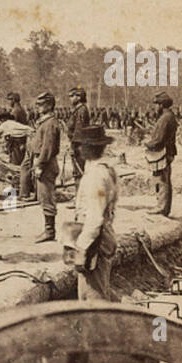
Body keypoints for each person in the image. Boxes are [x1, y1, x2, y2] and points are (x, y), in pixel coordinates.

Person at [67, 125, 119, 300]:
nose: (78, 149)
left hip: (95, 241)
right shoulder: (101, 169)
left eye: (81, 145)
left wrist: (81, 246)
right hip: (100, 236)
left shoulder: (97, 175)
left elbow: (95, 217)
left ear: (90, 147)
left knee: (92, 297)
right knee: (98, 289)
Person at [32, 92, 62, 242]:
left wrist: (40, 165)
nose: (38, 107)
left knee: (47, 197)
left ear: (50, 105)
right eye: (37, 104)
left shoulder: (50, 123)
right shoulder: (45, 122)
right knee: (44, 197)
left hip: (47, 164)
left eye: (41, 104)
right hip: (44, 162)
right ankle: (48, 229)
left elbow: (47, 148)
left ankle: (50, 231)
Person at [144, 91, 179, 216]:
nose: (154, 107)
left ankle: (161, 207)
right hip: (167, 151)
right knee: (164, 179)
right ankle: (163, 207)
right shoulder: (169, 116)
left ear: (161, 105)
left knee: (161, 180)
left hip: (163, 152)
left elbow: (159, 139)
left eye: (156, 104)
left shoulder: (165, 118)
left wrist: (147, 144)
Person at [67, 86, 91, 180]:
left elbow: (78, 130)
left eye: (72, 96)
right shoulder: (78, 110)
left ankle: (80, 193)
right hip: (77, 144)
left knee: (78, 171)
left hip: (79, 145)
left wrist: (73, 146)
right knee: (77, 171)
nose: (70, 98)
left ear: (79, 97)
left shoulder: (81, 110)